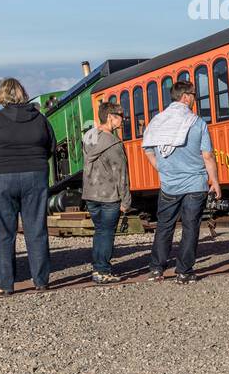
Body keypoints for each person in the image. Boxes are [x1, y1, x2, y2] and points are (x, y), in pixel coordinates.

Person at [0, 78, 54, 294]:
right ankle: (41, 280)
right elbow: (51, 146)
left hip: (0, 179)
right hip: (35, 176)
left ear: (1, 95)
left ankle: (6, 284)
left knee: (4, 232)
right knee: (36, 229)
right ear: (23, 93)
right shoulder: (40, 120)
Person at [140, 80, 221, 284]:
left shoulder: (158, 121)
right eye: (193, 94)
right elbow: (208, 156)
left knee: (164, 226)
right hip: (195, 183)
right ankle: (184, 271)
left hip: (169, 184)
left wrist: (161, 167)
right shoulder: (197, 123)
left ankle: (157, 269)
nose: (195, 98)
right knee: (190, 227)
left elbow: (147, 148)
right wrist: (215, 181)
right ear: (185, 97)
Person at [81, 100, 131, 284]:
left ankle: (98, 266)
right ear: (110, 117)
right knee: (107, 232)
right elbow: (121, 174)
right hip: (109, 195)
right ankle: (102, 270)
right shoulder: (113, 143)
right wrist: (126, 200)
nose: (122, 120)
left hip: (90, 194)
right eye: (120, 117)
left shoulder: (89, 138)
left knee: (100, 231)